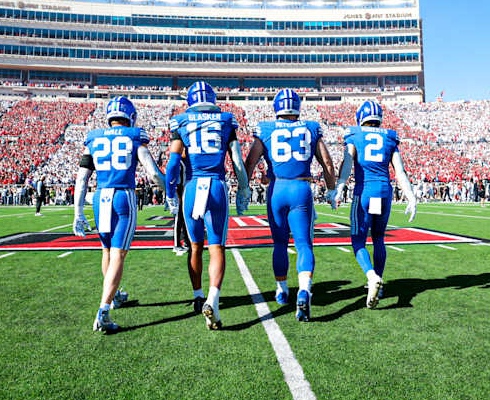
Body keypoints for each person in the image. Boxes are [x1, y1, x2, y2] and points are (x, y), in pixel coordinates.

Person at [73, 96, 165, 333]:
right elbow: (153, 174)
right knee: (118, 254)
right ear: (130, 116)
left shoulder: (93, 138)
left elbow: (82, 179)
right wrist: (170, 192)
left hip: (100, 197)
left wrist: (77, 213)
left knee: (107, 251)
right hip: (123, 196)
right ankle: (103, 309)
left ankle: (112, 297)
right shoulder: (135, 135)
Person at [244, 89, 337, 321]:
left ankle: (282, 289)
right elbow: (326, 161)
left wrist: (244, 189)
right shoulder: (311, 128)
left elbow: (250, 161)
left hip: (277, 190)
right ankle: (304, 290)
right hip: (301, 189)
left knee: (279, 243)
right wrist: (332, 189)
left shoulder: (265, 129)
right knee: (304, 245)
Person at [165, 82, 250, 330]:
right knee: (217, 248)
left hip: (192, 187)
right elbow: (236, 161)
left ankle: (197, 295)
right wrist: (243, 189)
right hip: (216, 185)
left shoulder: (181, 121)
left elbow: (172, 165)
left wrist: (170, 193)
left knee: (194, 247)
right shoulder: (225, 120)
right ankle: (213, 298)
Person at [329, 101, 417, 309]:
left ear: (361, 118)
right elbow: (400, 172)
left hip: (365, 192)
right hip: (383, 192)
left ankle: (371, 277)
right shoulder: (389, 137)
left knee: (358, 241)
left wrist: (340, 186)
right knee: (378, 237)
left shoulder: (355, 135)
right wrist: (410, 196)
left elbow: (348, 163)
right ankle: (380, 281)